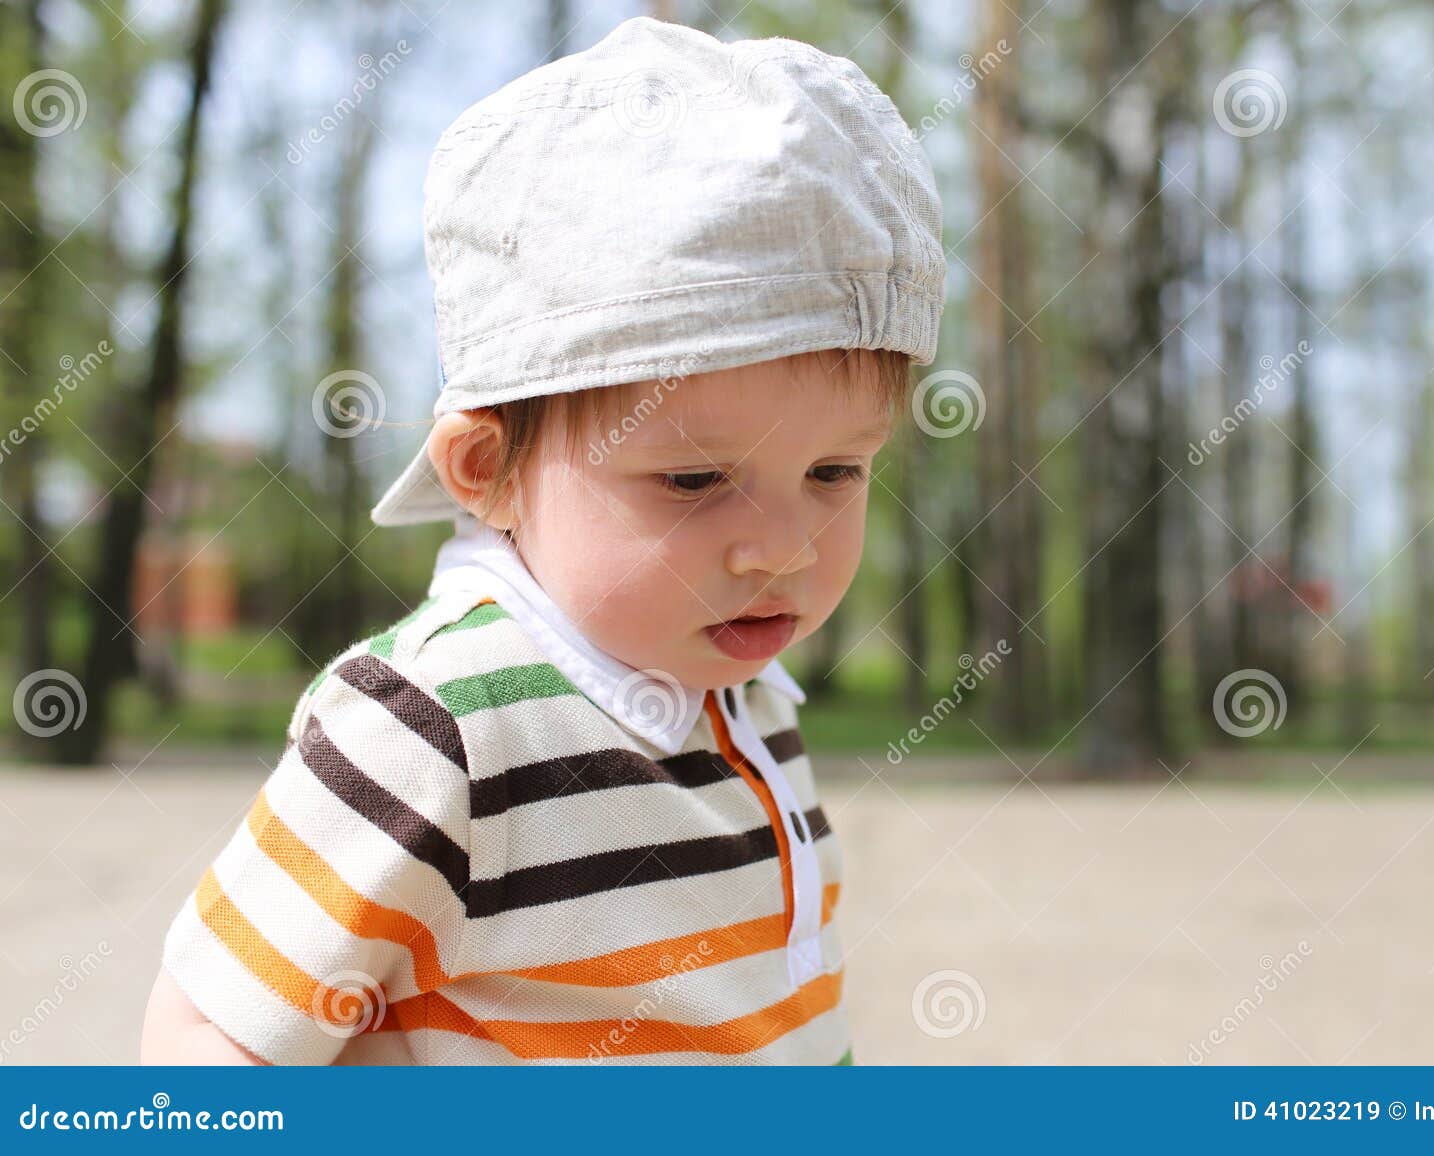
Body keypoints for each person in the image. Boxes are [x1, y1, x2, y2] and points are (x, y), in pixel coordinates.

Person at [140, 13, 943, 1065]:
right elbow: (207, 1032)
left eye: (834, 471)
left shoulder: (744, 695)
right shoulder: (438, 727)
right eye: (693, 479)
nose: (783, 547)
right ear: (489, 470)